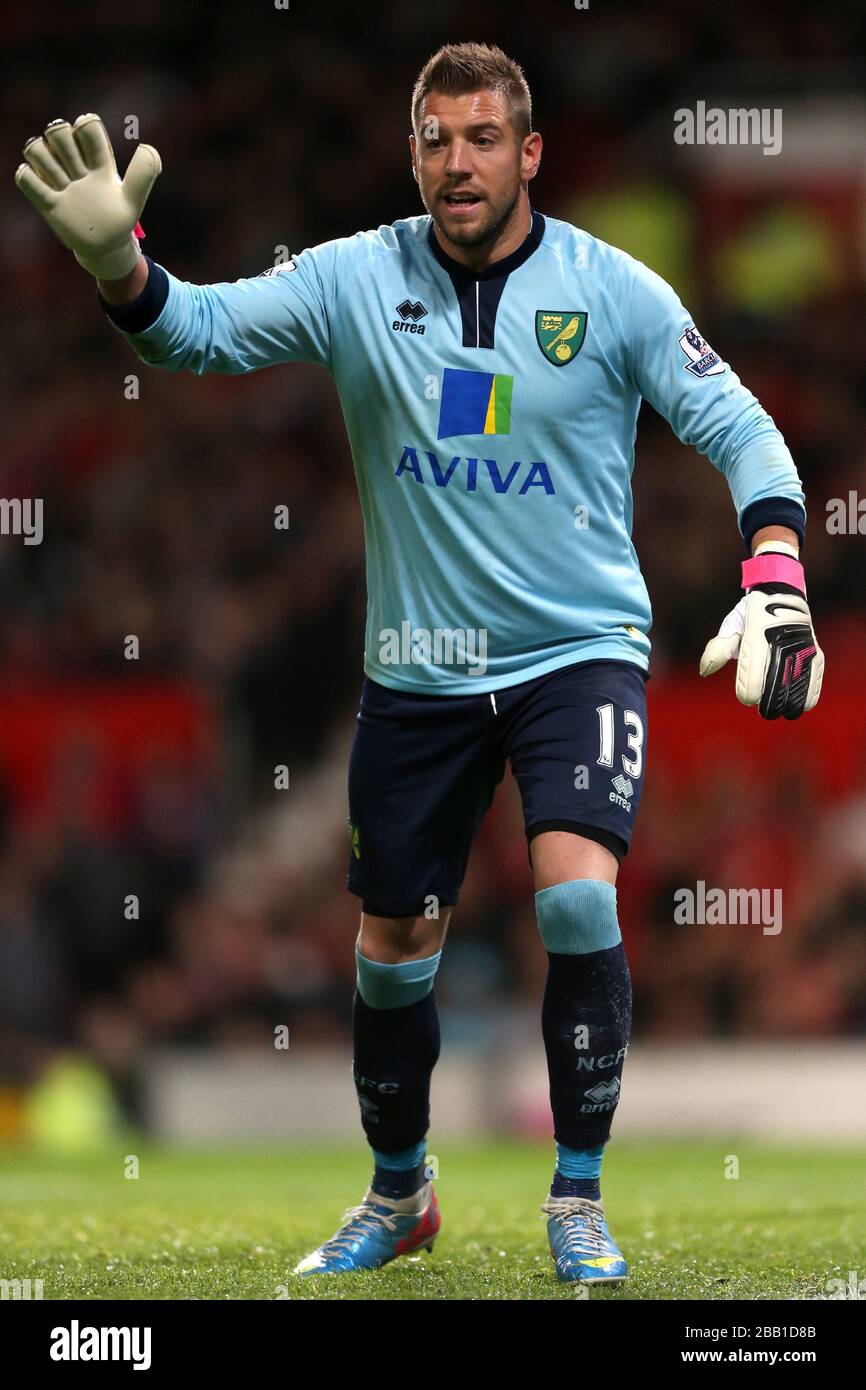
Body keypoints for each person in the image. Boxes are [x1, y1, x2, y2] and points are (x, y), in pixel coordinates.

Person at [15, 41, 823, 1286]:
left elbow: (741, 428)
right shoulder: (352, 278)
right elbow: (200, 333)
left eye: (483, 138)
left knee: (571, 898)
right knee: (392, 955)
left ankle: (576, 1195)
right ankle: (400, 1193)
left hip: (576, 651)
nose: (458, 161)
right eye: (435, 139)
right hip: (418, 669)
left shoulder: (613, 291)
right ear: (410, 154)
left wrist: (772, 574)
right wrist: (117, 263)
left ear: (529, 153)